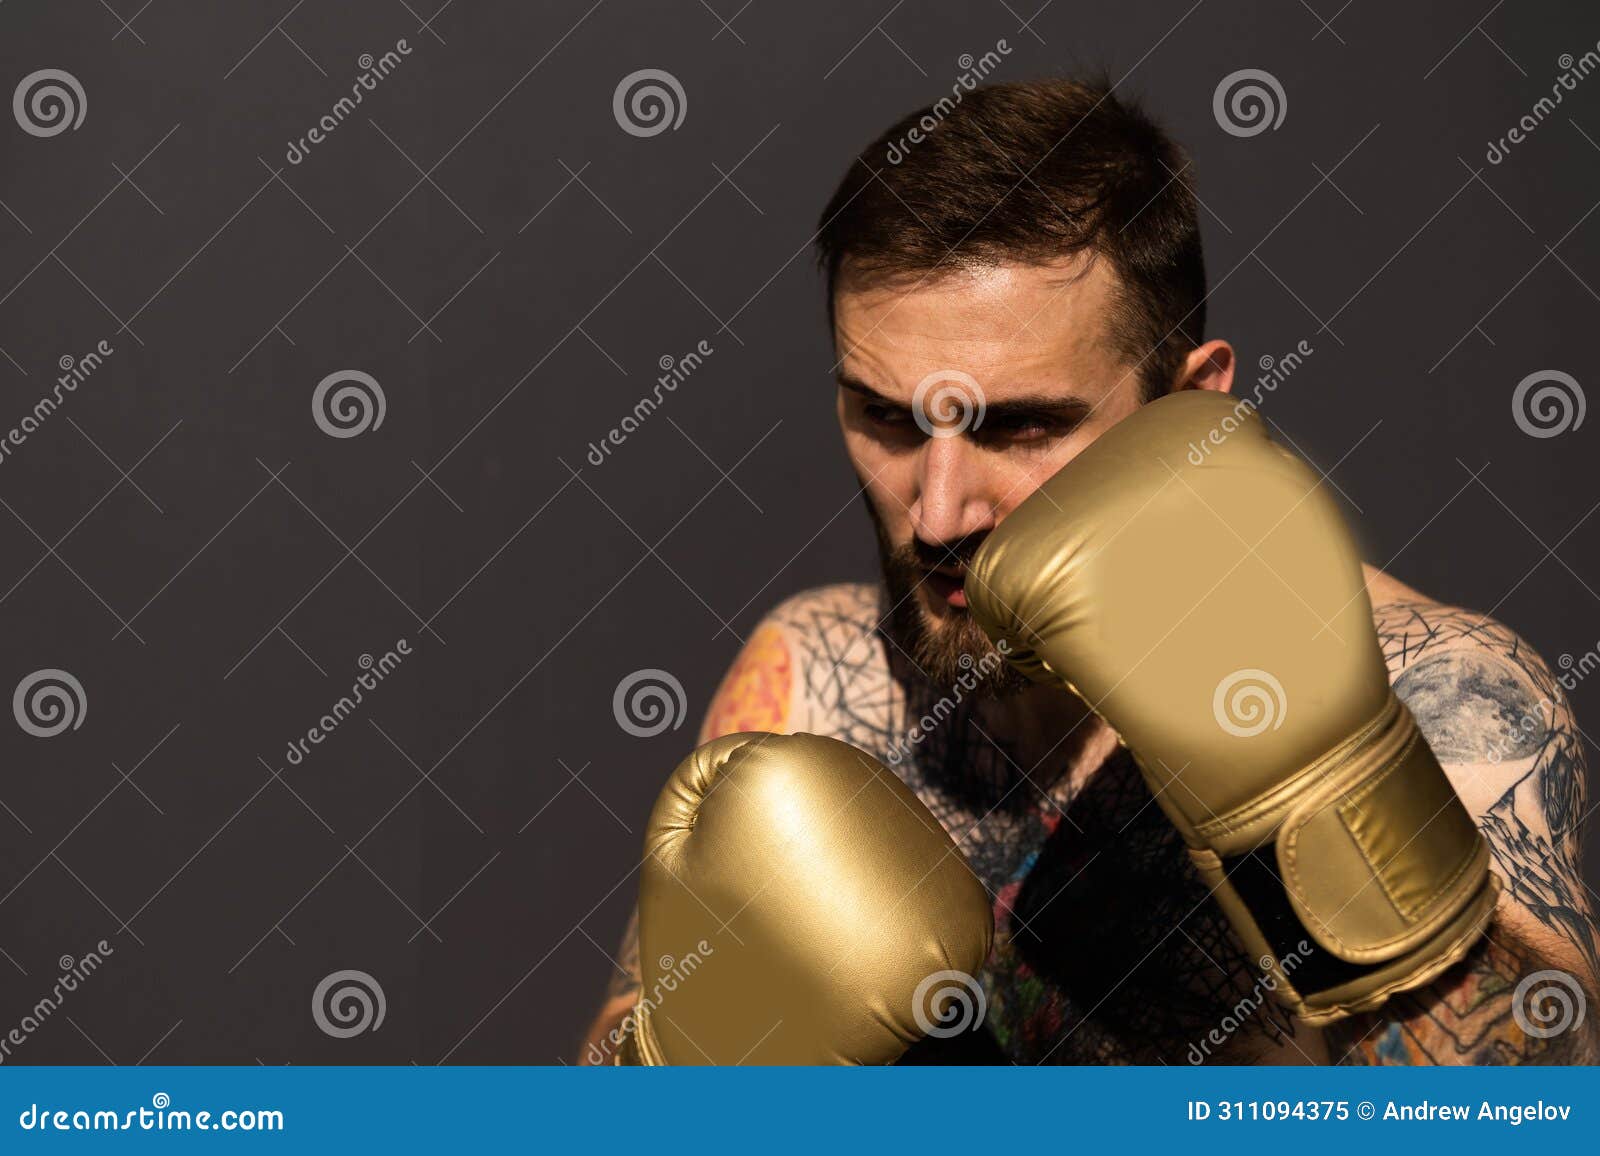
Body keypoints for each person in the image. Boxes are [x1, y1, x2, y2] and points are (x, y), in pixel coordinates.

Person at [582, 79, 1598, 1065]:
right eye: (886, 418)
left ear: (1188, 410)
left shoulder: (1446, 693)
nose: (938, 513)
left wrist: (1320, 787)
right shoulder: (812, 675)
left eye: (1020, 425)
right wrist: (686, 1062)